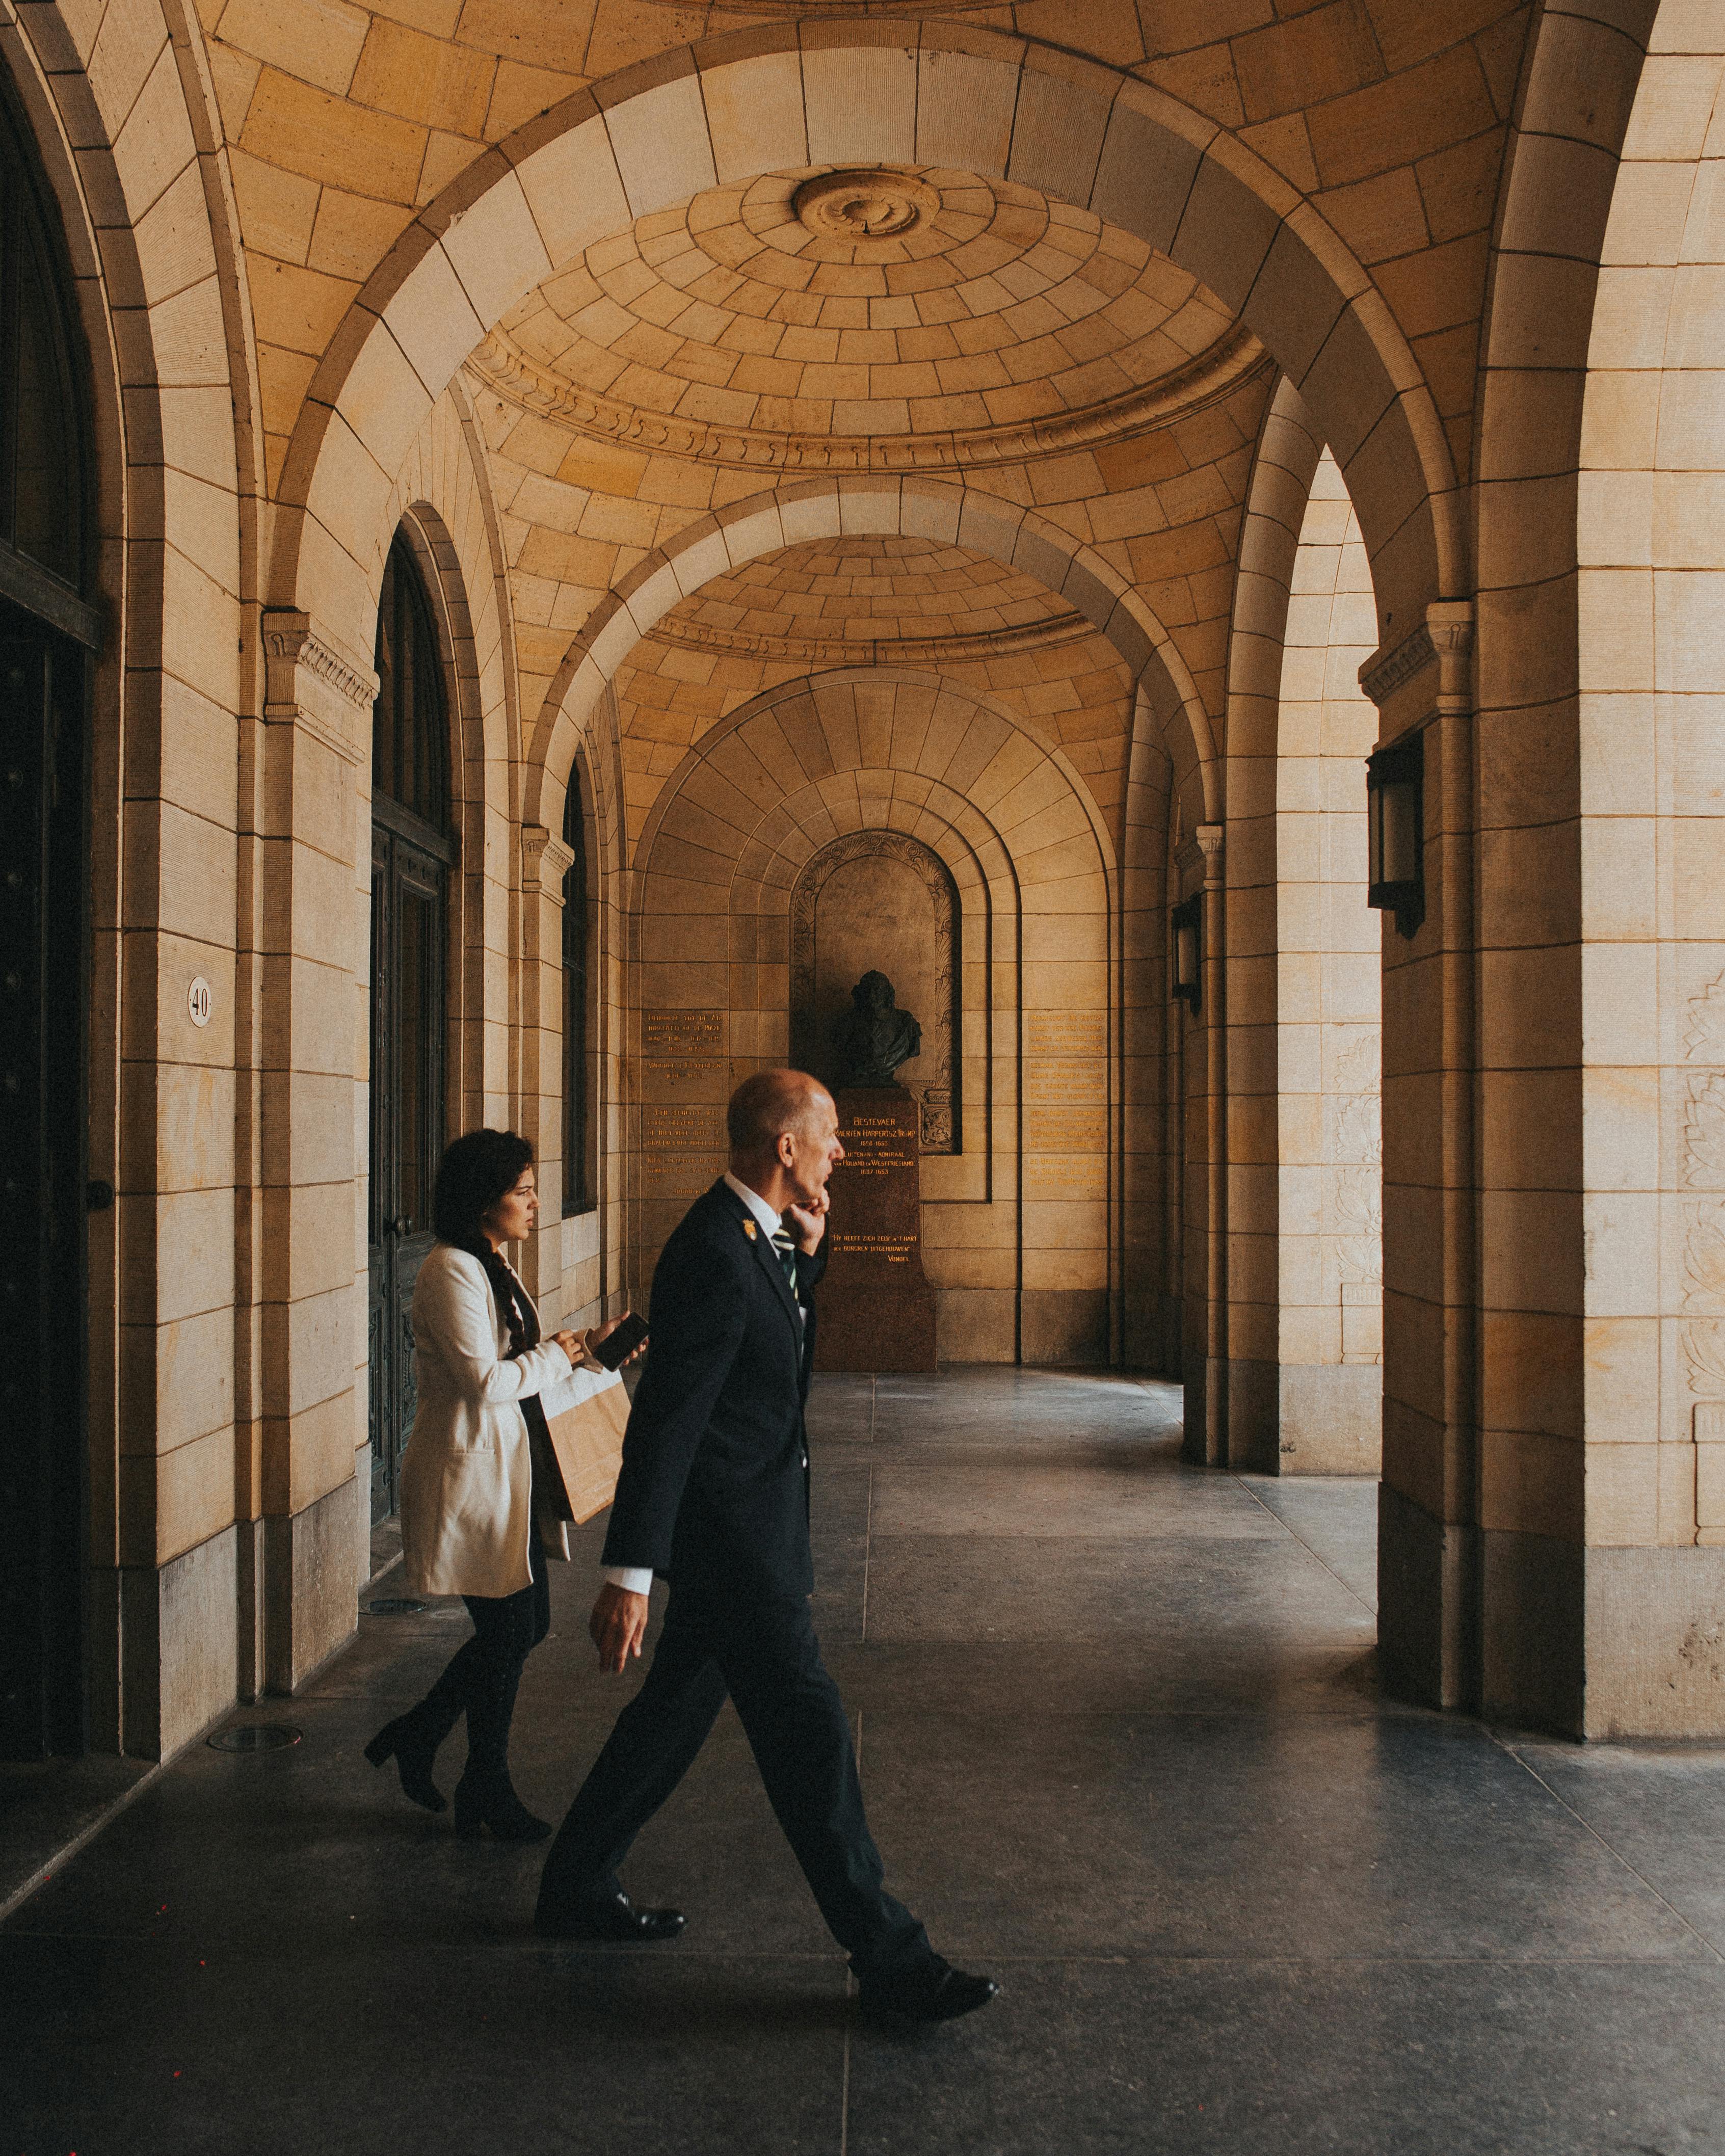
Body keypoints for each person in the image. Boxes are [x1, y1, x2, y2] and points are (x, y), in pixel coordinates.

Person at [534, 1070, 997, 2028]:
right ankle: (889, 1956)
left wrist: (812, 1259)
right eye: (827, 1136)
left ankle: (575, 1881)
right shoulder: (711, 1247)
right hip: (738, 1548)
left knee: (670, 1716)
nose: (840, 1151)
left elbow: (767, 1348)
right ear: (783, 1147)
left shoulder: (755, 1237)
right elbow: (668, 1419)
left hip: (746, 1534)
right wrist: (627, 1573)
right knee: (808, 1738)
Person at [365, 1129, 640, 1841]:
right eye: (521, 1191)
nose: (534, 1202)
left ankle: (435, 1744)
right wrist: (564, 1350)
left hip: (509, 1468)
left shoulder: (493, 1264)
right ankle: (466, 1770)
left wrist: (597, 1355)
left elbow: (529, 1368)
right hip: (469, 1470)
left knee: (522, 1625)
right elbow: (485, 1382)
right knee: (514, 1626)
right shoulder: (449, 1269)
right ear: (483, 1200)